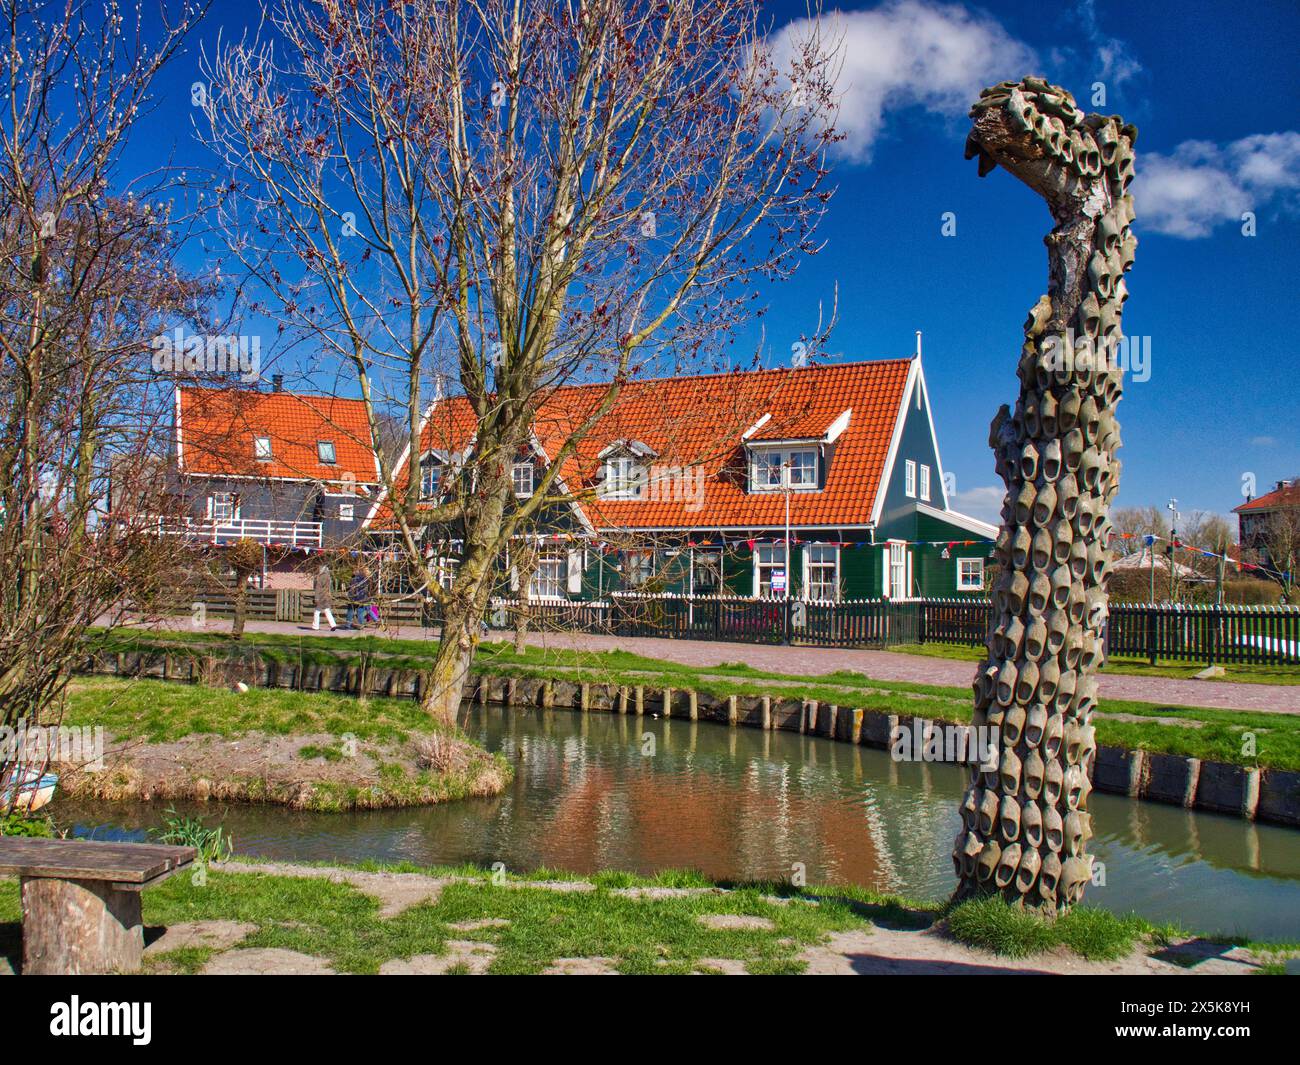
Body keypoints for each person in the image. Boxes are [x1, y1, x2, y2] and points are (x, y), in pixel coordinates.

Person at [312, 563, 338, 630]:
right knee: (327, 611)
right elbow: (331, 588)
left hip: (321, 596)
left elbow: (318, 588)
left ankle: (315, 626)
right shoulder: (329, 577)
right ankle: (333, 625)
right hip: (327, 596)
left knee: (317, 612)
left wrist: (316, 598)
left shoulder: (320, 577)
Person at [347, 565, 371, 629]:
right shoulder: (364, 579)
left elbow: (351, 589)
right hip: (361, 598)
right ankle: (361, 624)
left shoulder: (353, 579)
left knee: (351, 611)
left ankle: (348, 625)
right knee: (360, 612)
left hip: (353, 598)